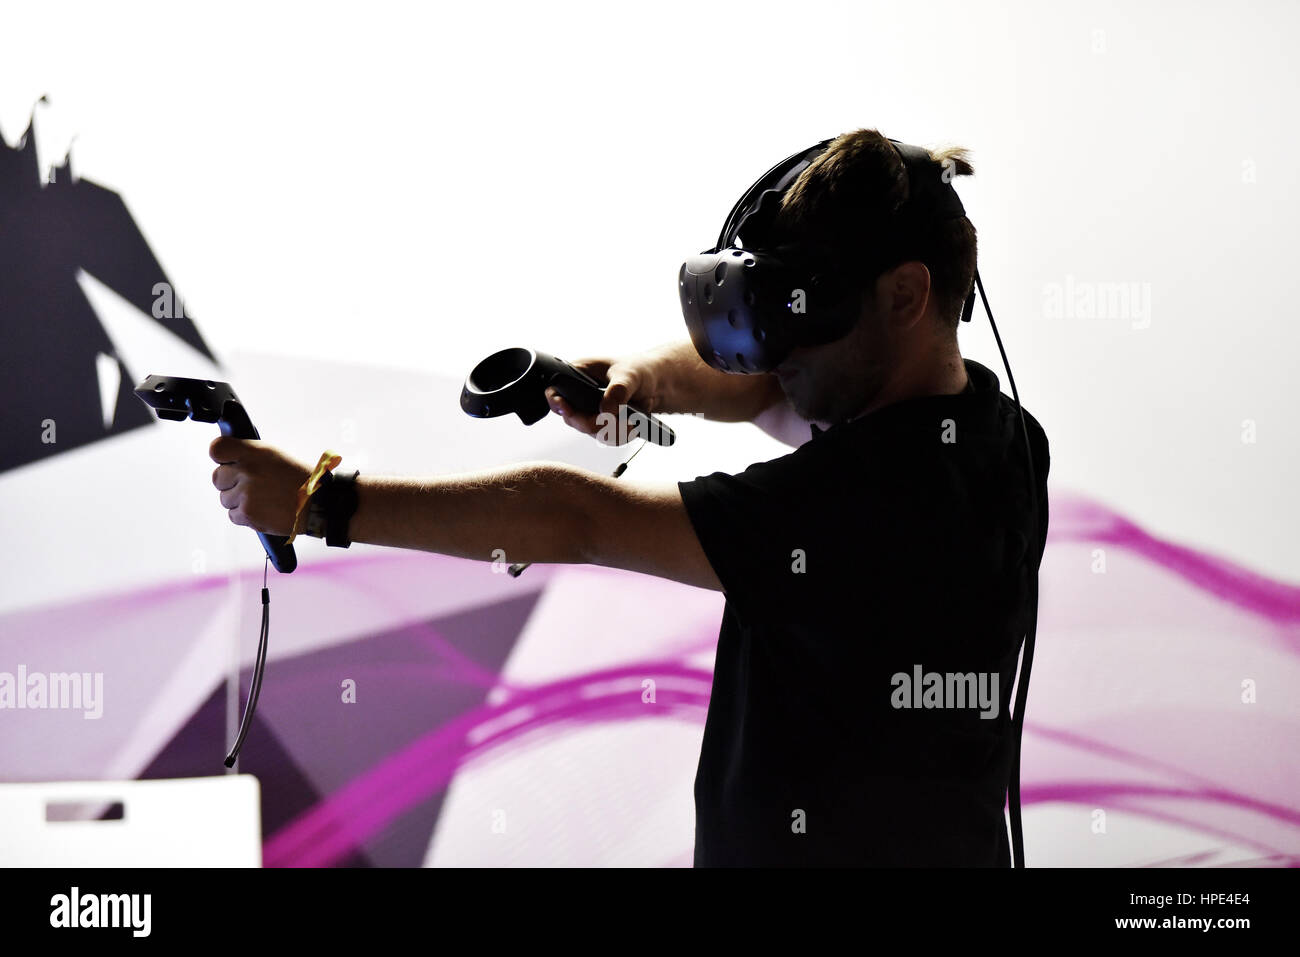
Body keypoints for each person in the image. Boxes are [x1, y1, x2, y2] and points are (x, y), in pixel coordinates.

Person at [209, 128, 1049, 866]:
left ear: (906, 294)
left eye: (804, 316)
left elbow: (578, 518)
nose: (778, 352)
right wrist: (638, 383)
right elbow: (767, 393)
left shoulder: (882, 498)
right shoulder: (987, 431)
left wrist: (322, 501)